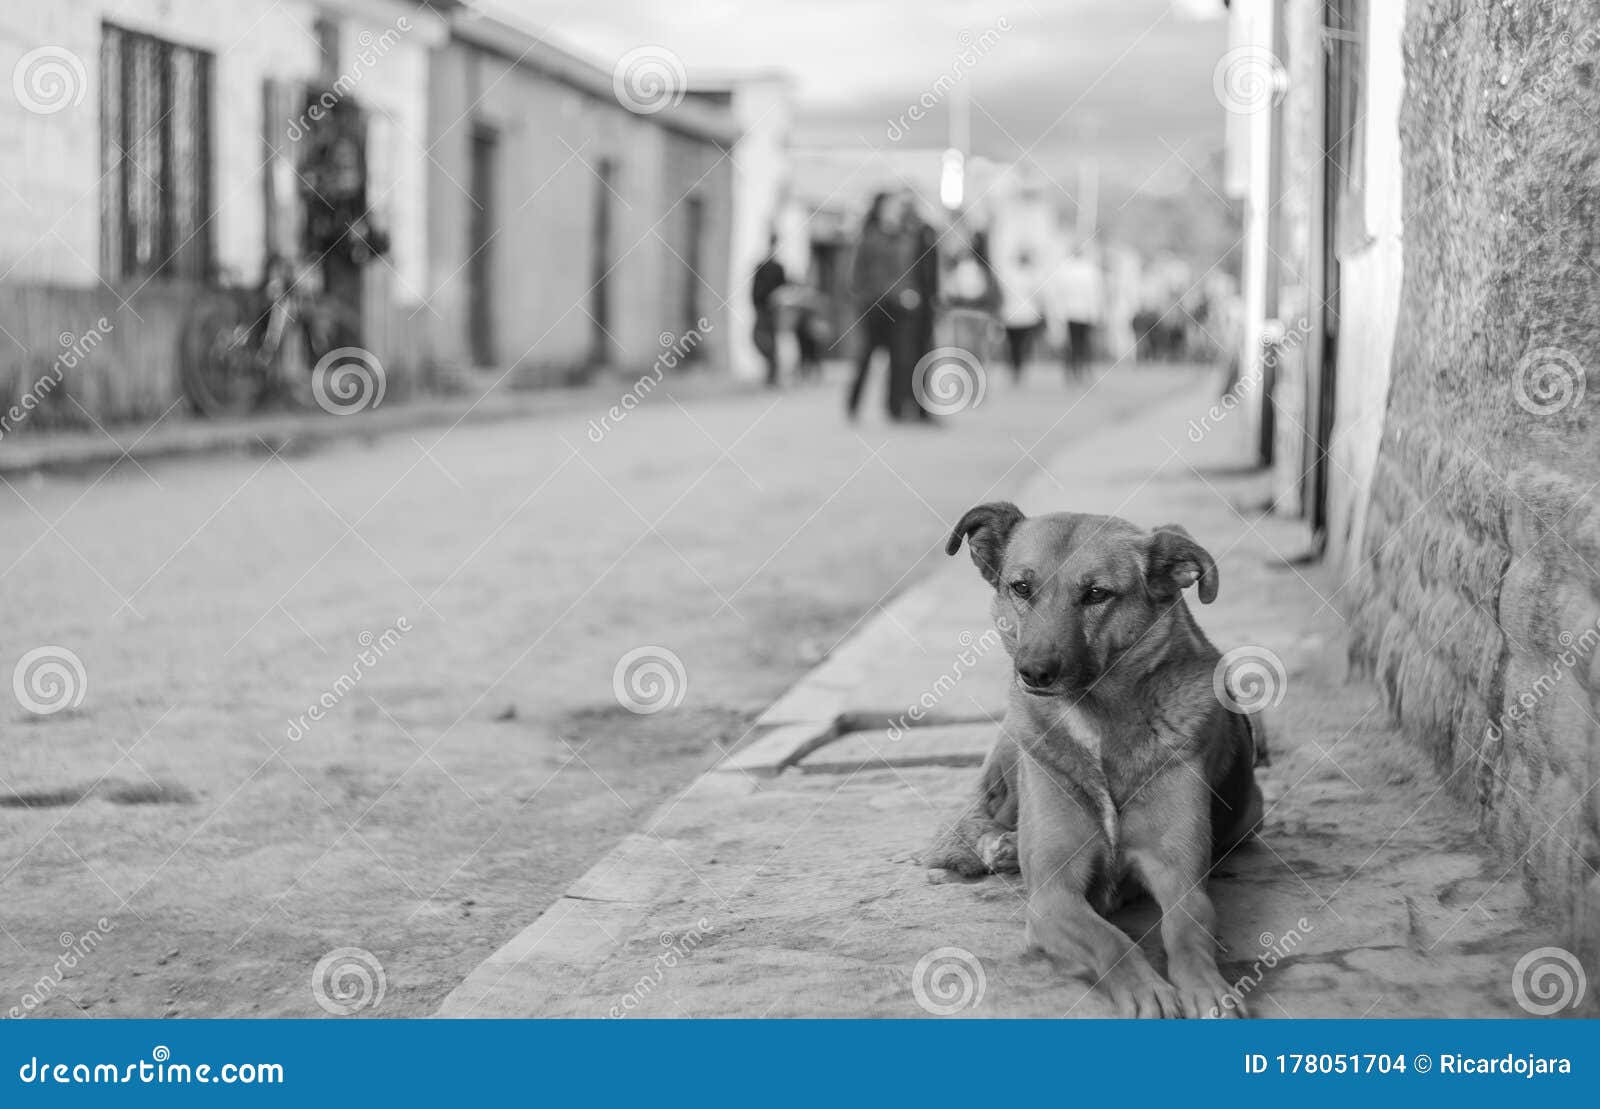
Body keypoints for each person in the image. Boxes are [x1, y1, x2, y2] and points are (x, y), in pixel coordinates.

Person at [845, 192, 904, 419]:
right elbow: (855, 276)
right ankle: (853, 405)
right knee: (866, 355)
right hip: (872, 306)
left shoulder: (900, 238)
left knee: (896, 357)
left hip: (895, 305)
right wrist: (864, 298)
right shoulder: (868, 238)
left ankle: (894, 406)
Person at [895, 191, 941, 422]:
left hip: (925, 303)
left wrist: (934, 298)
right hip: (902, 303)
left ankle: (922, 407)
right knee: (903, 356)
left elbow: (932, 270)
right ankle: (900, 405)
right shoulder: (898, 234)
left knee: (924, 353)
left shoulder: (926, 233)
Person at [751, 234, 787, 387]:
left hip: (774, 309)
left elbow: (783, 288)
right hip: (761, 307)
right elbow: (754, 289)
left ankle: (772, 373)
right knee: (758, 336)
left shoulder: (779, 268)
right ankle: (771, 368)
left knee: (771, 338)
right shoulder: (761, 266)